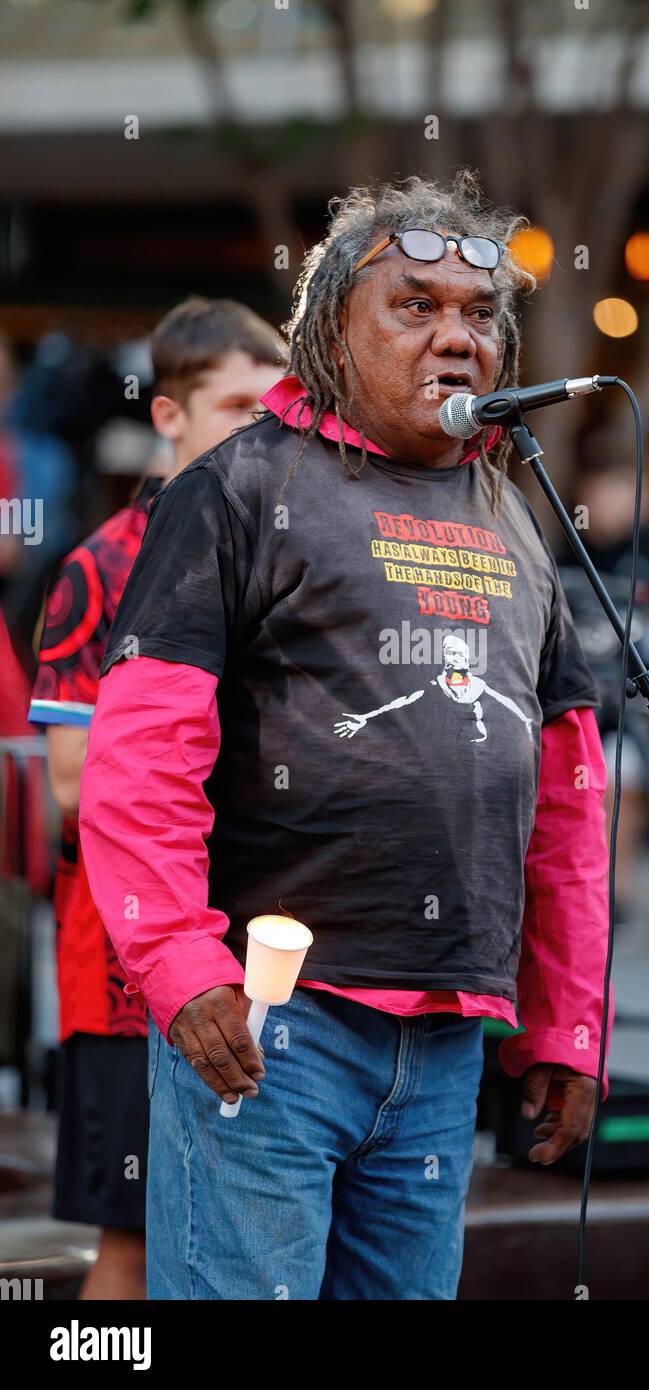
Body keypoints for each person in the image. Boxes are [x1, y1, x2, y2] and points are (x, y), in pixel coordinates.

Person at [79, 172, 613, 1301]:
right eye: (412, 307)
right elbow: (136, 757)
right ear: (329, 332)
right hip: (270, 1031)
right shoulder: (234, 491)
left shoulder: (516, 517)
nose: (454, 337)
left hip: (444, 1045)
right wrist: (181, 968)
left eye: (477, 315)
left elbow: (566, 800)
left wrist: (565, 1023)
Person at [28, 298, 283, 1299]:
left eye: (276, 409)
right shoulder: (98, 565)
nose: (261, 429)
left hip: (246, 958)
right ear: (169, 414)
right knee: (133, 1246)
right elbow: (67, 783)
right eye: (236, 406)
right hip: (124, 976)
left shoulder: (279, 545)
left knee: (228, 1243)